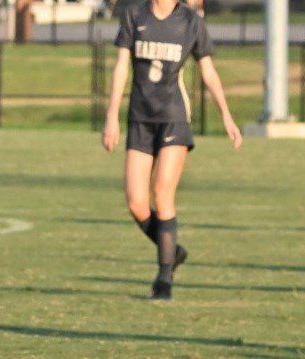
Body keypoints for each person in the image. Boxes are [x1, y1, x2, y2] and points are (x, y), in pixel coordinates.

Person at [101, 0, 241, 301]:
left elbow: (208, 71)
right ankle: (172, 250)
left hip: (174, 118)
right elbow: (121, 66)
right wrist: (111, 116)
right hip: (139, 118)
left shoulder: (190, 21)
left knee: (163, 195)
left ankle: (163, 280)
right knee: (137, 203)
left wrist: (226, 115)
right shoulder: (134, 14)